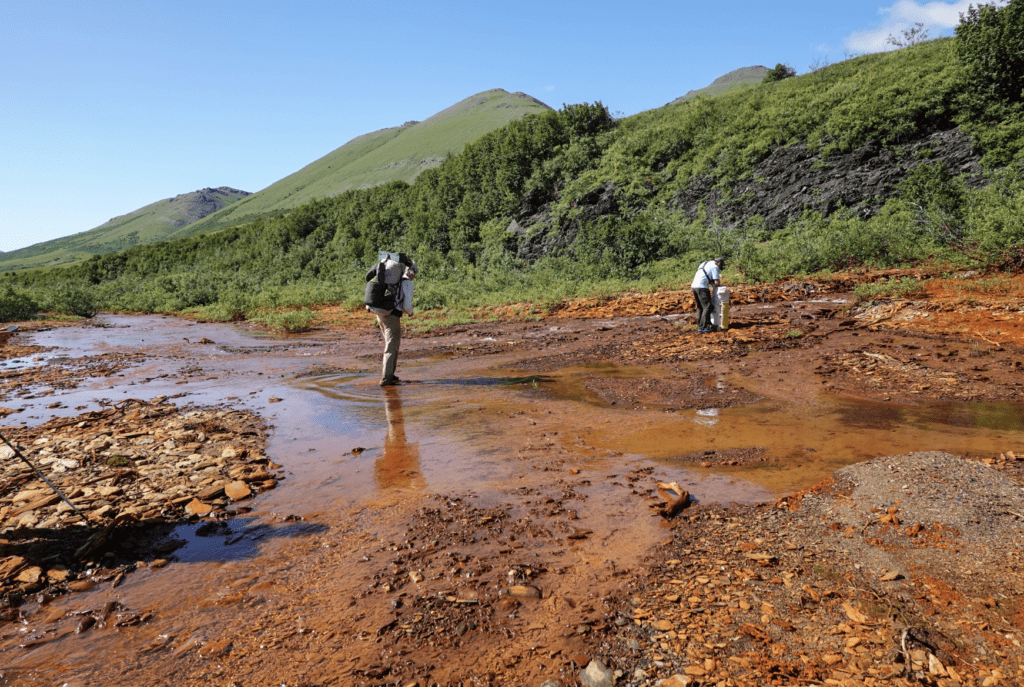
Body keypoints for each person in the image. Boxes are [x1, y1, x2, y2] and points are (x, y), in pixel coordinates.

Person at [365, 255, 416, 386]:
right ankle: (386, 379)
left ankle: (391, 374)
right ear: (410, 271)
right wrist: (411, 313)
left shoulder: (388, 279)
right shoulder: (407, 283)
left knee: (390, 344)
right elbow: (406, 306)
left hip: (379, 312)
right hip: (391, 315)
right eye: (414, 272)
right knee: (391, 347)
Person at [691, 256, 725, 333]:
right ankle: (703, 327)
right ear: (719, 263)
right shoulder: (715, 267)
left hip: (694, 287)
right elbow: (717, 282)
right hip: (702, 287)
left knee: (700, 307)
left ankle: (702, 325)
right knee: (707, 306)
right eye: (721, 265)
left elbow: (705, 276)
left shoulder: (705, 263)